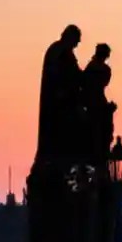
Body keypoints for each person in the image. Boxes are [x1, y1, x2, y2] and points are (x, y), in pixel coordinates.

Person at [36, 25, 84, 162]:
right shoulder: (62, 52)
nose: (76, 45)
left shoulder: (57, 50)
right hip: (60, 103)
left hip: (58, 101)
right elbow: (71, 76)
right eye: (76, 41)